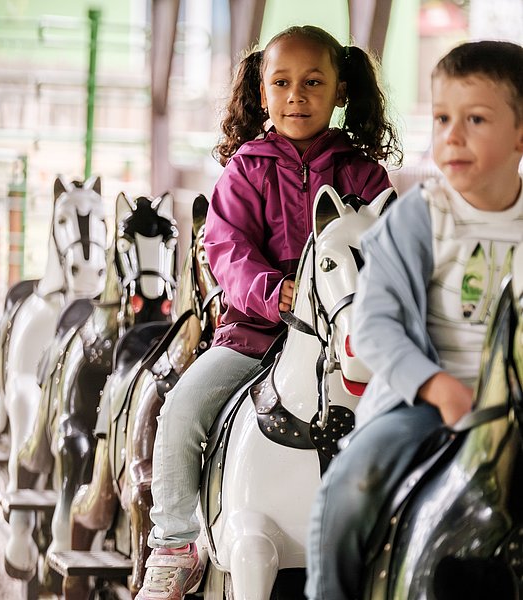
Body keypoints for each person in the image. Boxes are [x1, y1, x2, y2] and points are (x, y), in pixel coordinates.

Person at [135, 25, 402, 600]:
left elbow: (381, 247)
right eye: (281, 83)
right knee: (182, 407)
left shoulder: (363, 176)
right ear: (261, 93)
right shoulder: (246, 170)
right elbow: (224, 248)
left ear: (341, 92)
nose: (296, 97)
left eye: (313, 83)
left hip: (341, 341)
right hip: (253, 336)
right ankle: (175, 540)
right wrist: (269, 291)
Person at [304, 39, 523, 600]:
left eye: (475, 119)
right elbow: (375, 325)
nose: (452, 135)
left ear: (521, 133)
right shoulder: (419, 216)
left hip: (516, 405)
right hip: (423, 403)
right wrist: (438, 386)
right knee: (351, 486)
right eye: (443, 117)